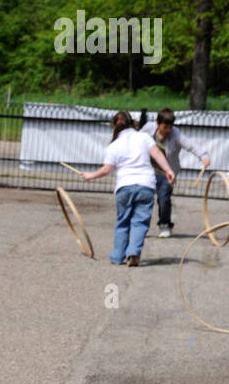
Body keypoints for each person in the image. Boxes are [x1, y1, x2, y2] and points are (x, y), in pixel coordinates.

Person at [79, 111, 175, 266]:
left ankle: (117, 257)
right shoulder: (144, 137)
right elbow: (157, 154)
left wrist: (90, 176)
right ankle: (133, 253)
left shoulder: (114, 145)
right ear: (131, 122)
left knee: (123, 222)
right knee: (140, 222)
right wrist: (169, 170)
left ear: (114, 126)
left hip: (124, 186)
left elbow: (106, 170)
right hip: (146, 185)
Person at [140, 108, 210, 237]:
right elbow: (136, 140)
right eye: (165, 126)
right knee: (145, 198)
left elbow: (191, 145)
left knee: (164, 198)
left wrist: (204, 156)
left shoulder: (176, 134)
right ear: (157, 123)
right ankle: (141, 227)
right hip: (148, 170)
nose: (168, 130)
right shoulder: (148, 129)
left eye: (170, 127)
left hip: (167, 173)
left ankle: (165, 225)